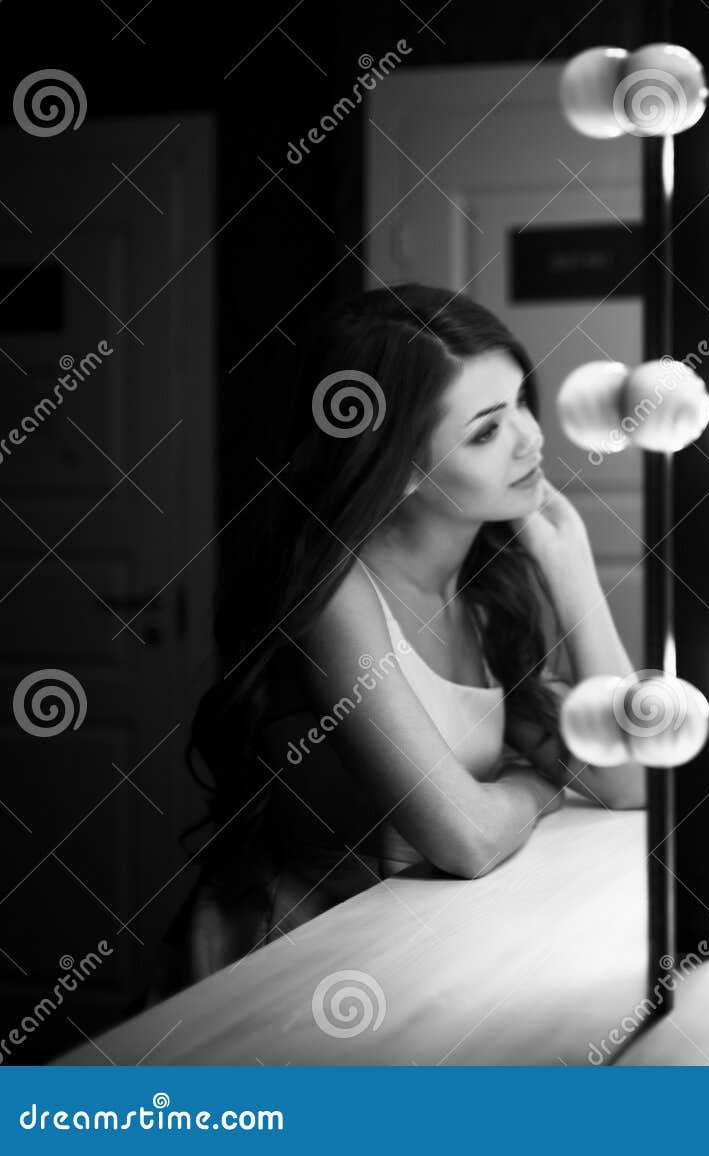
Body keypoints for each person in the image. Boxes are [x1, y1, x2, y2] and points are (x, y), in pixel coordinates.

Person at [146, 283, 646, 1003]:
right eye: (485, 431)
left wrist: (575, 576)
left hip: (413, 958)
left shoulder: (483, 587)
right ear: (403, 468)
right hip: (284, 971)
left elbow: (627, 781)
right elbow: (466, 839)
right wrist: (536, 785)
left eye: (522, 405)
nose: (532, 439)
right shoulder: (333, 596)